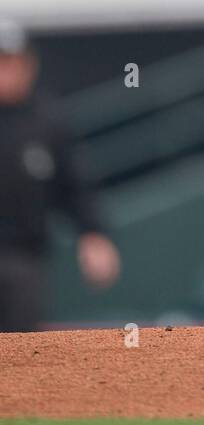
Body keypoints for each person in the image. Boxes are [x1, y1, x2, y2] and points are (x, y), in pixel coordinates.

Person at [0, 19, 120, 331]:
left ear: (29, 65)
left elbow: (75, 184)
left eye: (11, 61)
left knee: (21, 349)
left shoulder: (48, 121)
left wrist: (93, 234)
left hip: (23, 256)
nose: (6, 71)